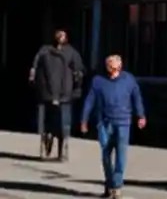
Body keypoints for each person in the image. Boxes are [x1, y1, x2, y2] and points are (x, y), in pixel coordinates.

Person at [80, 55, 146, 199]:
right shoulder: (98, 81)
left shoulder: (129, 80)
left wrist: (140, 115)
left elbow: (137, 97)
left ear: (120, 66)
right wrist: (84, 120)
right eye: (108, 65)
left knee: (121, 156)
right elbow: (90, 101)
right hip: (104, 123)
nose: (111, 68)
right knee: (105, 154)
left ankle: (116, 186)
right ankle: (109, 183)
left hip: (123, 122)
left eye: (113, 65)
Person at [29, 29, 85, 161]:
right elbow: (79, 73)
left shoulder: (67, 52)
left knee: (56, 122)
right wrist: (77, 86)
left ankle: (56, 146)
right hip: (58, 92)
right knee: (59, 122)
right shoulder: (64, 52)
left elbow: (78, 72)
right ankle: (54, 145)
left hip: (55, 92)